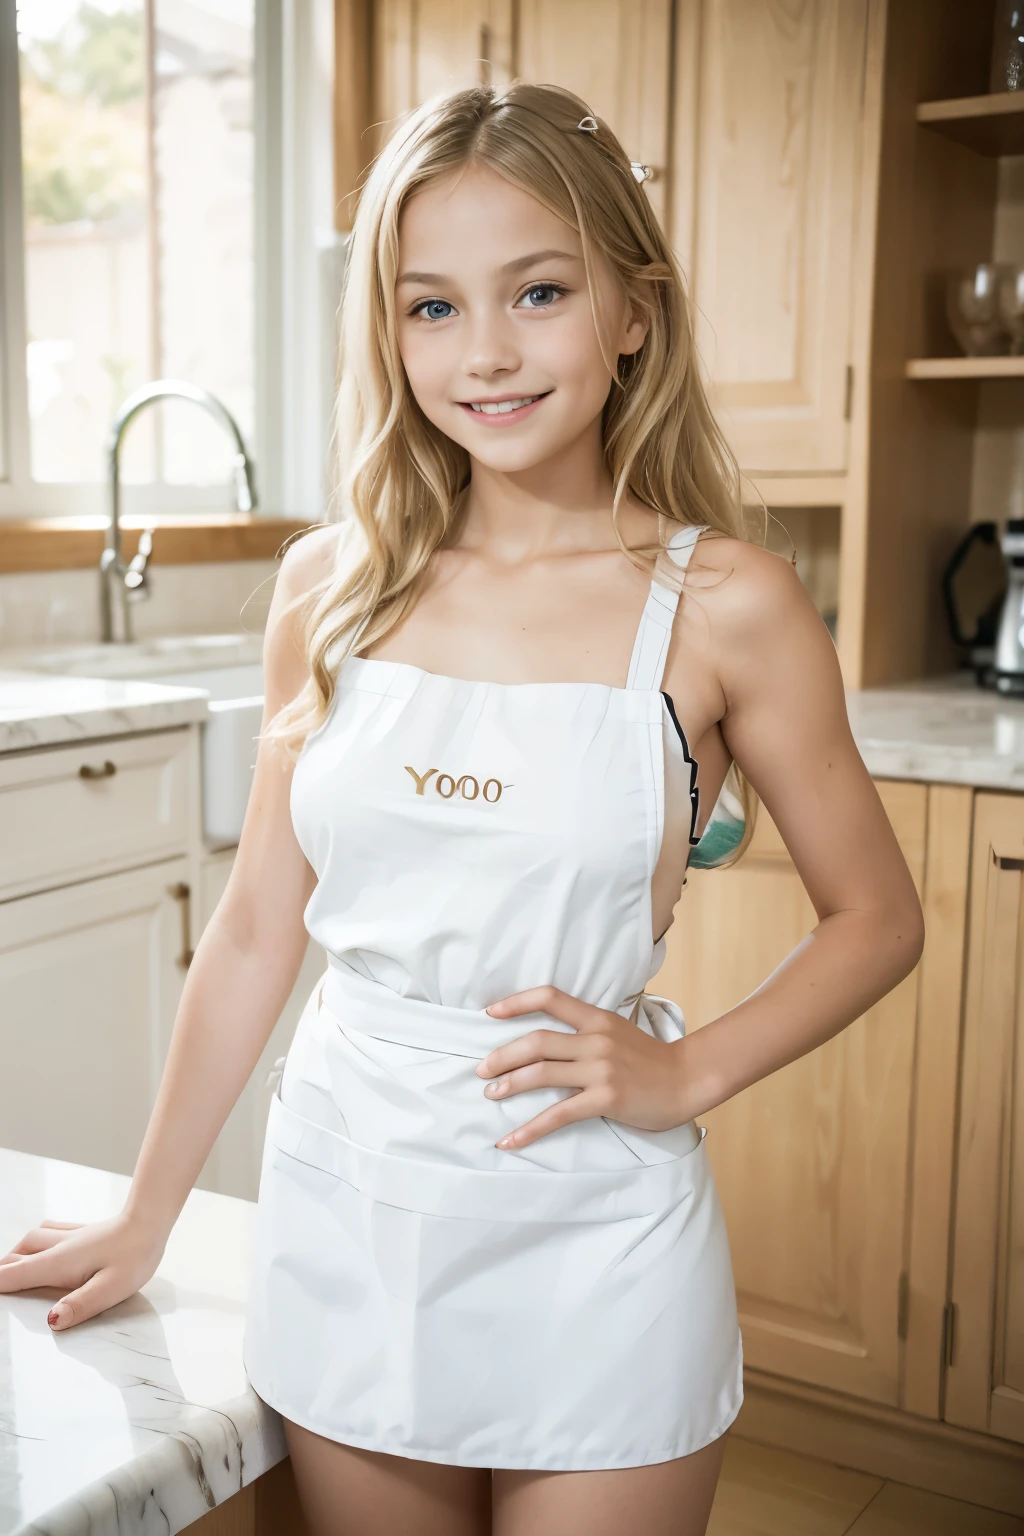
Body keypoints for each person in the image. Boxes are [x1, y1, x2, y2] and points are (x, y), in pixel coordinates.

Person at [0, 83, 924, 1536]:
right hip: (352, 1201)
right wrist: (146, 1208)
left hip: (597, 1225)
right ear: (389, 330)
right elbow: (256, 930)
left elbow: (877, 919)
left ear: (633, 310)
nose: (484, 352)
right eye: (431, 306)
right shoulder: (331, 586)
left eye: (538, 291)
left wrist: (688, 1074)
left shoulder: (726, 603)